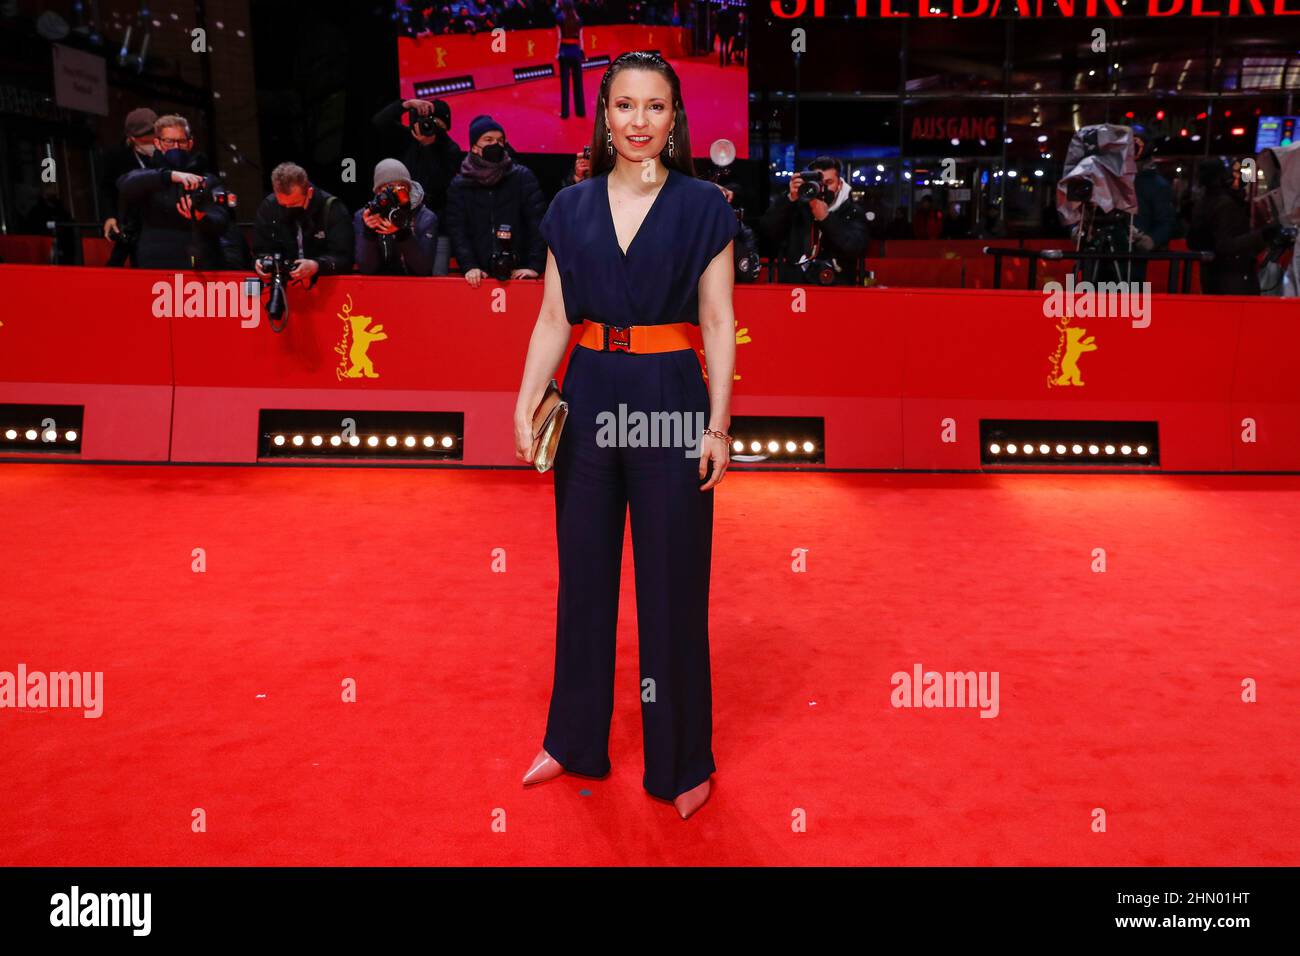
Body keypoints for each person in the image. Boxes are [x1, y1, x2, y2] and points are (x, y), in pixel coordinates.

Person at [513, 51, 739, 820]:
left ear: (675, 119)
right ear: (603, 115)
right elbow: (553, 317)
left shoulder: (705, 205)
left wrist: (718, 422)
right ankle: (573, 739)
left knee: (672, 584)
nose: (638, 122)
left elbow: (717, 320)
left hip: (670, 395)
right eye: (624, 107)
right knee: (583, 579)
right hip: (587, 394)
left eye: (655, 108)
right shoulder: (569, 208)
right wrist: (526, 397)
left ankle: (681, 763)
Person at [115, 114, 234, 270]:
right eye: (169, 141)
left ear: (190, 143)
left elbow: (222, 220)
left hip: (199, 264)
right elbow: (124, 185)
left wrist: (201, 217)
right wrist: (170, 176)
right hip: (155, 264)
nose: (176, 147)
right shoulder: (146, 177)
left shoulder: (208, 180)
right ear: (157, 143)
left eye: (181, 141)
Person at [443, 114, 546, 286]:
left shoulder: (522, 177)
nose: (495, 144)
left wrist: (534, 266)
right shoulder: (460, 185)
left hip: (520, 275)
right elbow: (457, 231)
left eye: (500, 140)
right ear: (474, 147)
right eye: (488, 139)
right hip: (477, 277)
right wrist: (469, 266)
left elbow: (539, 224)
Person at [370, 96, 462, 275]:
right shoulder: (408, 139)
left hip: (438, 223)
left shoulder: (451, 149)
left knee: (437, 279)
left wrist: (428, 146)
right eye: (426, 121)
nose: (429, 126)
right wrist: (406, 105)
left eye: (435, 123)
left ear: (445, 126)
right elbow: (378, 122)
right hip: (400, 219)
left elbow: (440, 184)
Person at [759, 154, 869, 284]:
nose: (823, 188)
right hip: (795, 288)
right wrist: (789, 199)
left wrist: (826, 218)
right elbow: (766, 232)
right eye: (818, 183)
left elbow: (856, 247)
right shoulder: (796, 205)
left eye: (829, 183)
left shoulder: (852, 211)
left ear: (839, 184)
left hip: (837, 288)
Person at [252, 162, 354, 285]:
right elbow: (259, 251)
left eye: (294, 204)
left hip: (326, 286)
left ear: (309, 193)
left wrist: (316, 266)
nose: (288, 209)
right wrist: (260, 262)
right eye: (283, 205)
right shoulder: (269, 207)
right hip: (284, 287)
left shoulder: (332, 209)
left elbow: (345, 259)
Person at [1187, 158, 1278, 295]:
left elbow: (1193, 241)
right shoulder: (1225, 204)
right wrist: (1262, 235)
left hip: (1213, 273)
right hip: (1233, 275)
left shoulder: (1203, 202)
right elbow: (1225, 244)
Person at [354, 159, 437, 276]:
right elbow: (367, 269)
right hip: (378, 288)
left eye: (401, 187)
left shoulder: (425, 217)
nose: (396, 192)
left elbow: (423, 269)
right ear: (378, 191)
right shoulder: (365, 216)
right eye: (390, 187)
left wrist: (402, 232)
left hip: (415, 288)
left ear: (409, 189)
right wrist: (369, 232)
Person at [98, 107, 157, 266]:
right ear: (132, 138)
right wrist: (110, 216)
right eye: (145, 137)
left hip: (160, 224)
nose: (150, 140)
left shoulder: (166, 153)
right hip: (131, 223)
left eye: (153, 135)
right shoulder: (116, 156)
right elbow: (107, 188)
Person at [555, 0, 585, 119]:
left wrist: (557, 53)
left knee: (565, 83)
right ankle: (580, 111)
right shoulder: (579, 19)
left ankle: (565, 113)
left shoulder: (559, 18)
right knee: (578, 82)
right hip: (576, 52)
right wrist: (582, 52)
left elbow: (559, 38)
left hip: (564, 52)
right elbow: (581, 38)